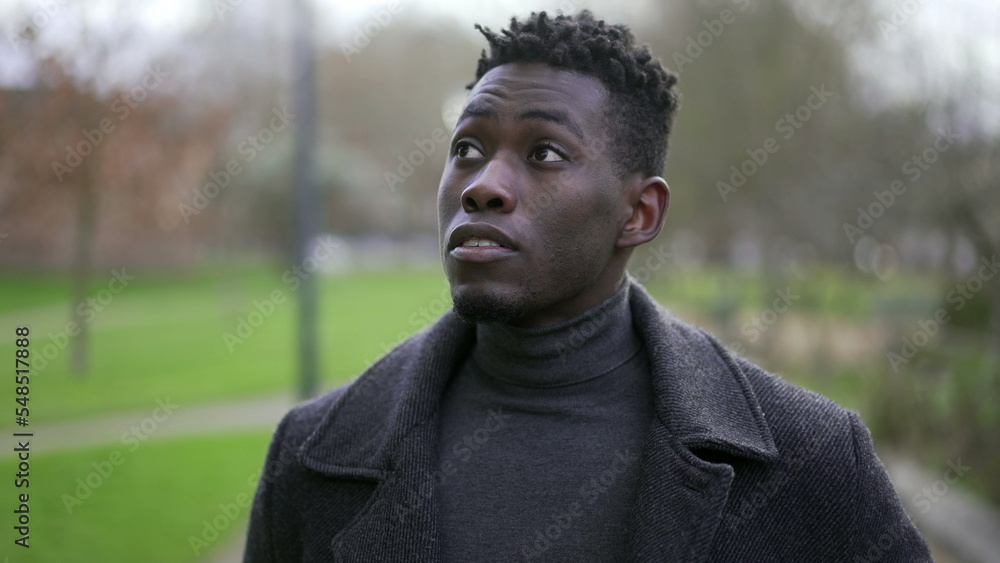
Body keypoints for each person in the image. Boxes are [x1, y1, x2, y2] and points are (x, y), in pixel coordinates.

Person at [245, 10, 931, 562]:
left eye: (544, 153)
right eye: (467, 148)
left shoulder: (810, 462)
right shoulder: (312, 460)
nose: (482, 184)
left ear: (638, 213)